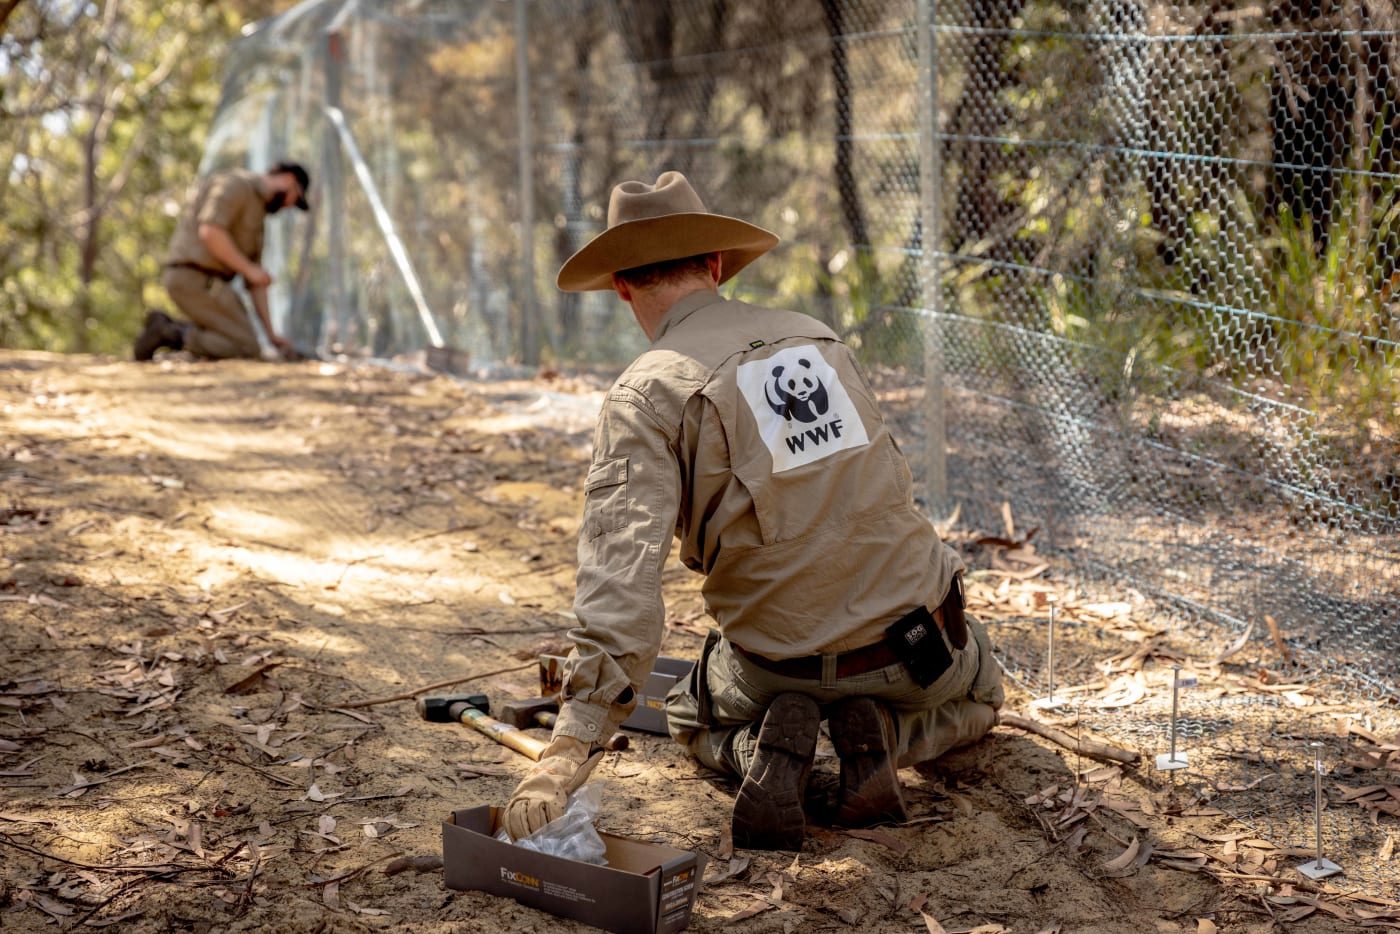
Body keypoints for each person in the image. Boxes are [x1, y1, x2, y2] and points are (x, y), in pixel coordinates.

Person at [503, 172, 1004, 851]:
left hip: (778, 665)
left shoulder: (644, 393)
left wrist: (569, 750)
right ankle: (881, 735)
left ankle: (773, 755)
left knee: (688, 714)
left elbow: (620, 578)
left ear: (622, 286)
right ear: (715, 265)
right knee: (982, 692)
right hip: (914, 647)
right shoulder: (817, 338)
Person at [134, 160, 310, 362]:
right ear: (289, 179)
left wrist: (272, 335)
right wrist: (249, 270)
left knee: (245, 343)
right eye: (295, 197)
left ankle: (176, 330)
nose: (289, 205)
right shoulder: (235, 184)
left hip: (213, 286)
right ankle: (170, 332)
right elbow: (210, 232)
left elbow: (256, 281)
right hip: (191, 278)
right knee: (245, 346)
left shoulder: (258, 215)